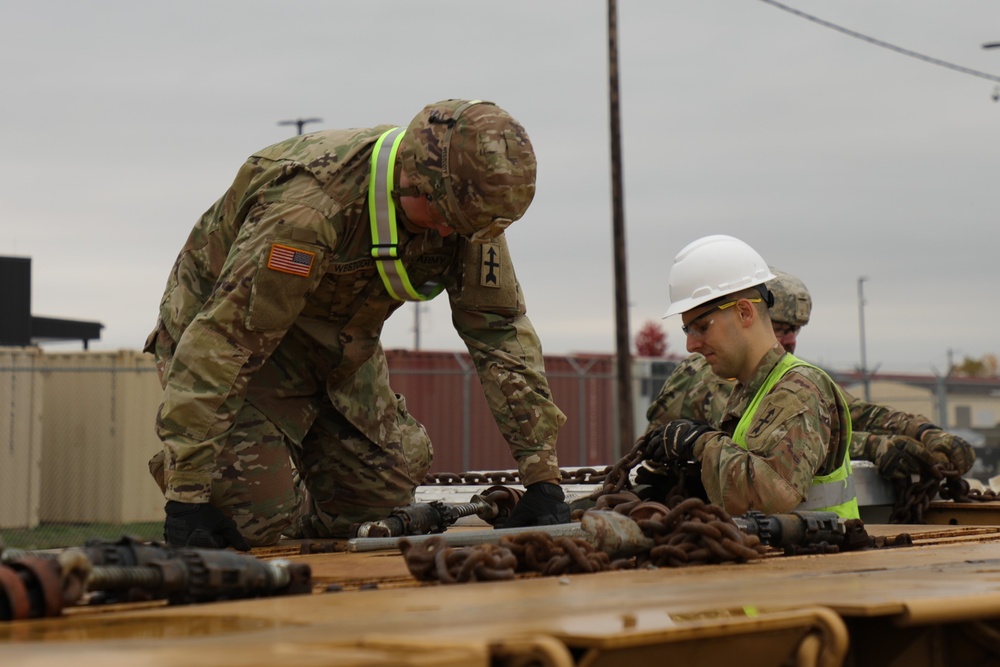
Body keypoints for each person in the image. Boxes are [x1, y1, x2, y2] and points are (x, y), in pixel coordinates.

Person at [144, 99, 571, 550]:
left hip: (340, 346)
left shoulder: (464, 213)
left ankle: (291, 510)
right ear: (413, 183)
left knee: (380, 494)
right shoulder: (311, 209)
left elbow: (500, 332)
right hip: (241, 341)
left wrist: (543, 477)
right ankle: (239, 488)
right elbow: (225, 342)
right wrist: (187, 496)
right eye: (444, 220)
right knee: (249, 517)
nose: (447, 236)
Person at [644, 269, 976, 484]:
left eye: (796, 330)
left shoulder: (788, 376)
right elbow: (780, 440)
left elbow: (852, 413)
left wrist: (924, 431)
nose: (790, 340)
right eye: (782, 328)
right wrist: (876, 446)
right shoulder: (715, 374)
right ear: (751, 318)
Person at [643, 234, 860, 518]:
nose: (691, 345)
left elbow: (768, 496)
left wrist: (701, 443)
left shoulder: (799, 390)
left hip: (820, 559)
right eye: (688, 330)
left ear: (744, 312)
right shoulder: (754, 392)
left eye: (702, 327)